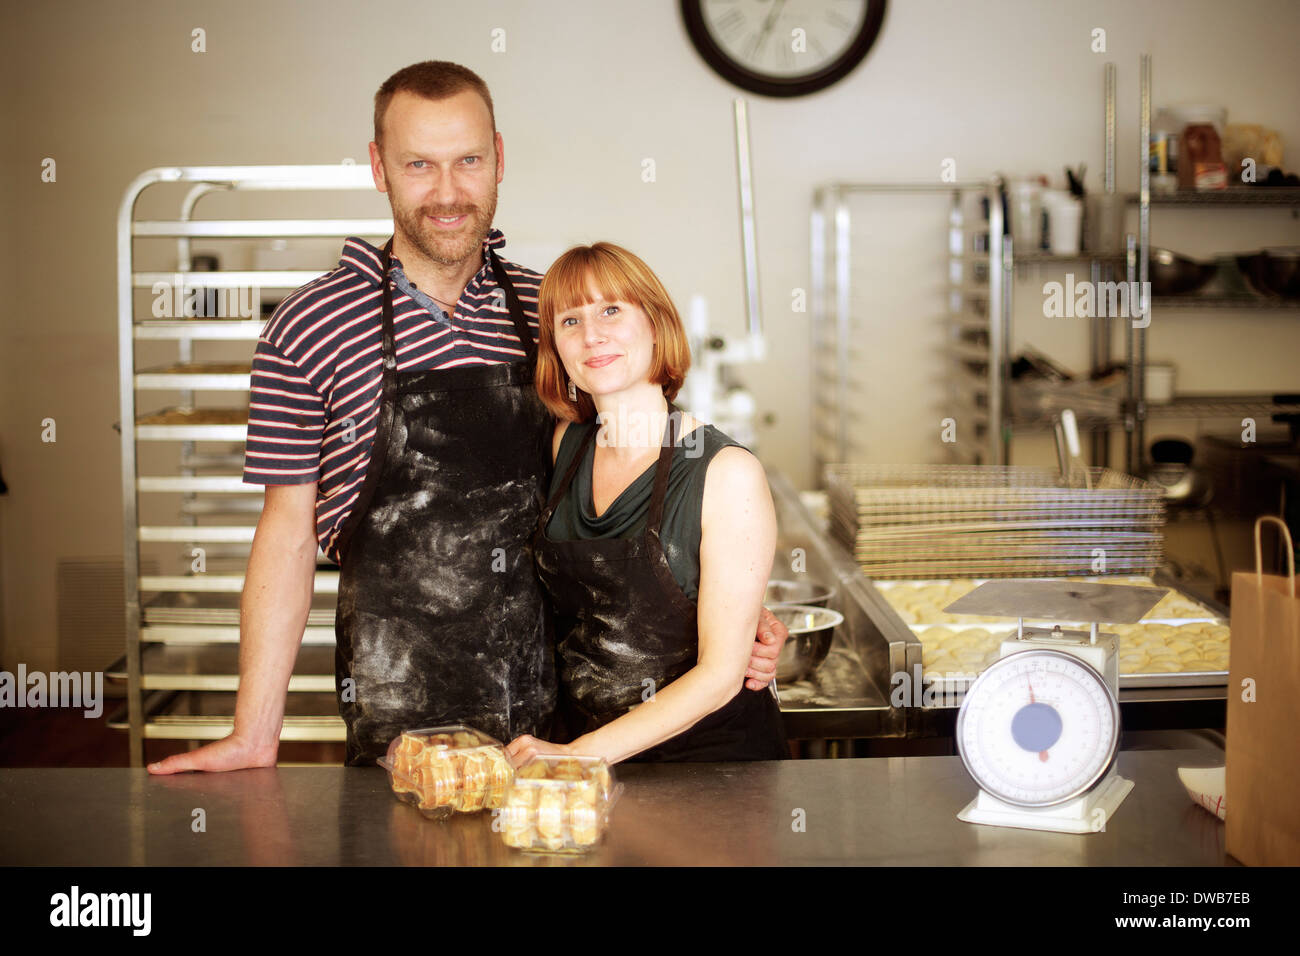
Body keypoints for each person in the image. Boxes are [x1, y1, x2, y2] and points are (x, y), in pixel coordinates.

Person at [148, 61, 788, 773]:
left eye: (468, 161)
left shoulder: (548, 312)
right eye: (419, 164)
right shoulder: (308, 327)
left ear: (499, 161)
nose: (447, 192)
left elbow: (638, 470)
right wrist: (254, 731)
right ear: (378, 168)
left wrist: (724, 619)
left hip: (556, 720)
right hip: (403, 713)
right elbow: (287, 536)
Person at [507, 243, 787, 766]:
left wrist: (575, 759)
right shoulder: (564, 446)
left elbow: (721, 675)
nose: (592, 335)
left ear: (656, 325)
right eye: (571, 320)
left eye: (612, 310)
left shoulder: (725, 472)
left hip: (709, 768)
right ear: (558, 351)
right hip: (588, 756)